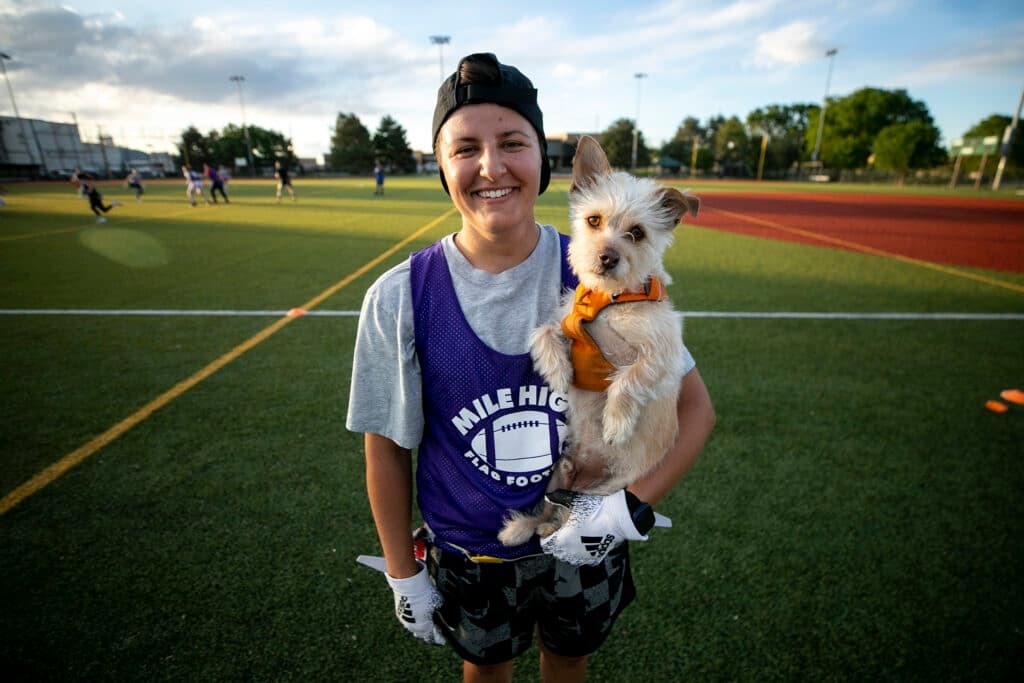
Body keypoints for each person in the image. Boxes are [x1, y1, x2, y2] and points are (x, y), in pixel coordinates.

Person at [346, 53, 715, 682]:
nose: (491, 166)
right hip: (470, 548)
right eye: (466, 147)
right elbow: (386, 446)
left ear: (544, 160)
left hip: (584, 527)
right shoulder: (399, 295)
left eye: (513, 142)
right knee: (486, 669)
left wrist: (626, 510)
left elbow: (694, 409)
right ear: (441, 165)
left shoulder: (606, 267)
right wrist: (403, 573)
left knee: (568, 658)